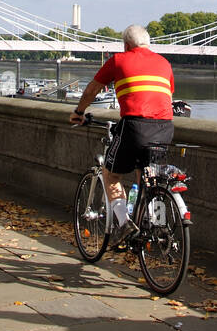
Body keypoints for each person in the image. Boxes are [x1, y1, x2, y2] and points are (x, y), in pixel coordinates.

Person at [69, 24, 174, 248]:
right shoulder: (164, 63)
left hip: (135, 127)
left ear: (126, 45)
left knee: (111, 174)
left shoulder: (119, 60)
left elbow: (91, 90)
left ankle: (125, 223)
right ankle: (155, 222)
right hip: (165, 127)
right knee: (147, 176)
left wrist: (79, 112)